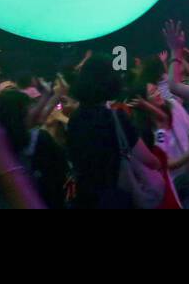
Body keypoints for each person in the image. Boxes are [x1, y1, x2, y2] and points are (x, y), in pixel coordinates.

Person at [65, 54, 162, 209]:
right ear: (110, 82)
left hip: (86, 198)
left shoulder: (74, 119)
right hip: (117, 197)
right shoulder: (115, 118)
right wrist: (158, 164)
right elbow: (147, 159)